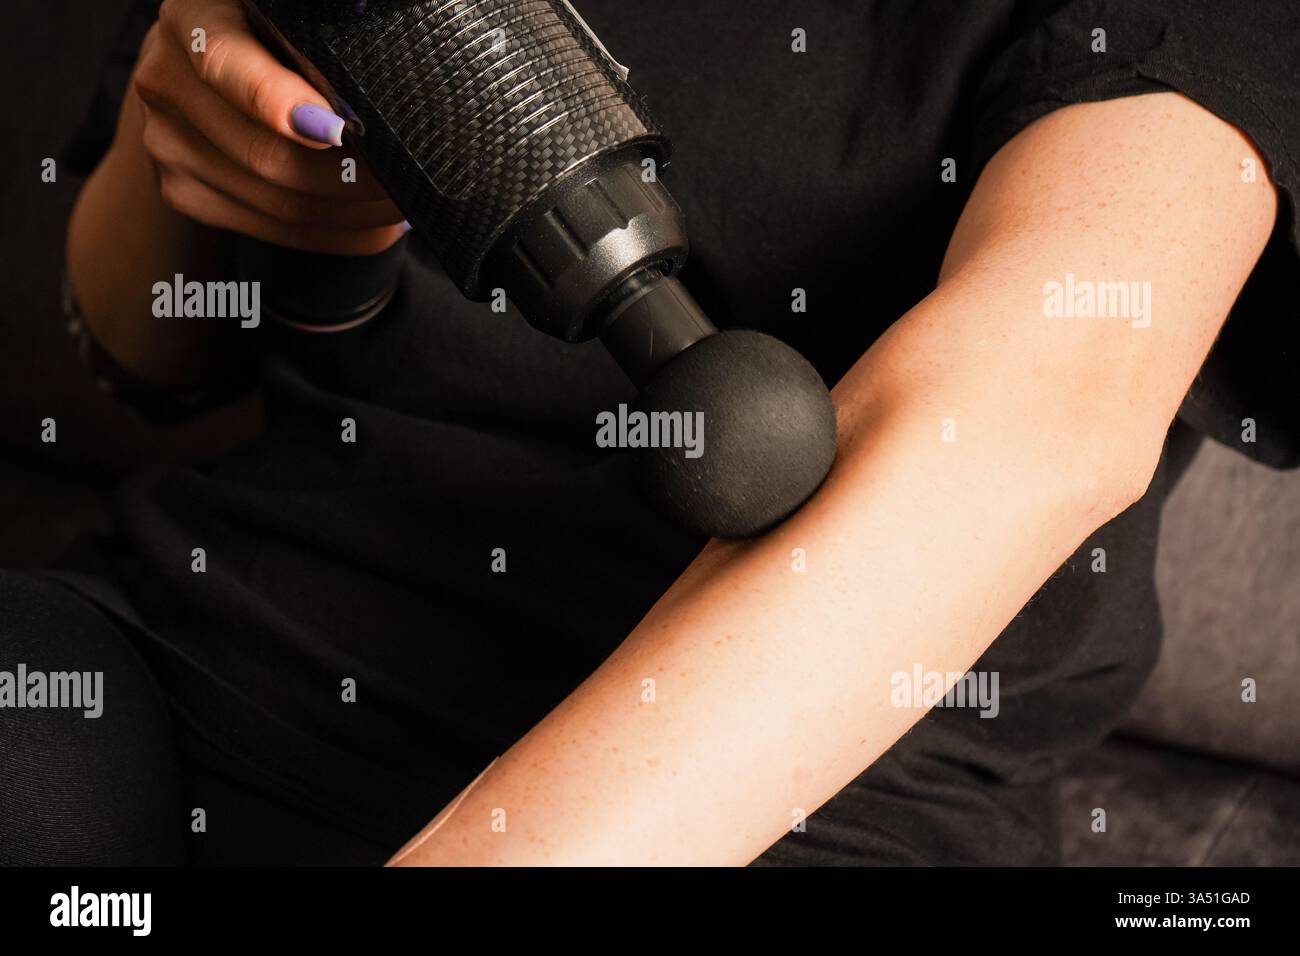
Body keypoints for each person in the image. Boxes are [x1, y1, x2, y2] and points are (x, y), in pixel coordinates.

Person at [4, 0, 1297, 865]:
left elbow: (1041, 414)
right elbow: (140, 358)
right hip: (212, 665)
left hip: (790, 801)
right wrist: (189, 145)